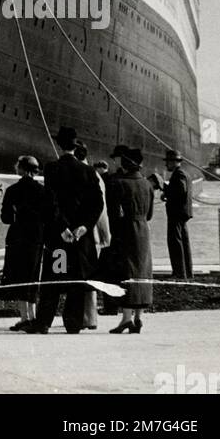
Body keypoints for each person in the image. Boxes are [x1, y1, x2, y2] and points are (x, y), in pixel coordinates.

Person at [22, 126, 103, 334]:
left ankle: (44, 322)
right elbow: (97, 203)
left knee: (54, 278)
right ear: (75, 147)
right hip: (81, 238)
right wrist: (84, 226)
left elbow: (51, 202)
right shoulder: (88, 171)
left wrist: (62, 228)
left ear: (59, 145)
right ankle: (73, 323)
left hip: (60, 238)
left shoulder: (52, 168)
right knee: (76, 279)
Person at [107, 147, 154, 333]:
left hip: (125, 231)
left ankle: (126, 319)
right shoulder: (147, 184)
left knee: (126, 272)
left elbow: (113, 213)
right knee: (142, 272)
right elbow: (149, 214)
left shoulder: (118, 183)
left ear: (125, 163)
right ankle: (138, 318)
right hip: (143, 230)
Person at [0, 156, 48, 328]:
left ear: (23, 169)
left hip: (17, 236)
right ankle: (33, 316)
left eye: (17, 165)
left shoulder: (12, 190)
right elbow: (48, 215)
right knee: (33, 275)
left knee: (18, 275)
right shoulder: (42, 190)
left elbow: (6, 218)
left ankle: (24, 317)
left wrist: (16, 214)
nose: (15, 166)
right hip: (36, 237)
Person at [74, 141, 110, 329]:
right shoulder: (93, 174)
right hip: (90, 232)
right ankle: (88, 317)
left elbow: (100, 208)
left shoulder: (90, 175)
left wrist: (104, 235)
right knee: (87, 275)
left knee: (83, 275)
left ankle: (87, 317)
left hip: (87, 234)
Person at [162, 148, 193, 282]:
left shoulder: (178, 175)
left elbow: (180, 190)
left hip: (176, 213)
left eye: (168, 162)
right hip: (183, 213)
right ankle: (187, 272)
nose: (166, 165)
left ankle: (179, 273)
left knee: (175, 242)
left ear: (174, 162)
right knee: (184, 243)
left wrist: (165, 189)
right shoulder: (185, 174)